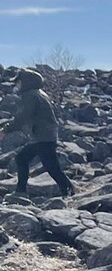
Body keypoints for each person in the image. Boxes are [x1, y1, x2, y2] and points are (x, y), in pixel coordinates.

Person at [6, 69, 73, 197]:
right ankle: (21, 190)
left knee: (51, 167)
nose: (17, 85)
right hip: (43, 135)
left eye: (19, 82)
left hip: (43, 137)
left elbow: (24, 116)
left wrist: (6, 130)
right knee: (22, 158)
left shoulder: (30, 95)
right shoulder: (40, 93)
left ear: (26, 82)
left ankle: (69, 191)